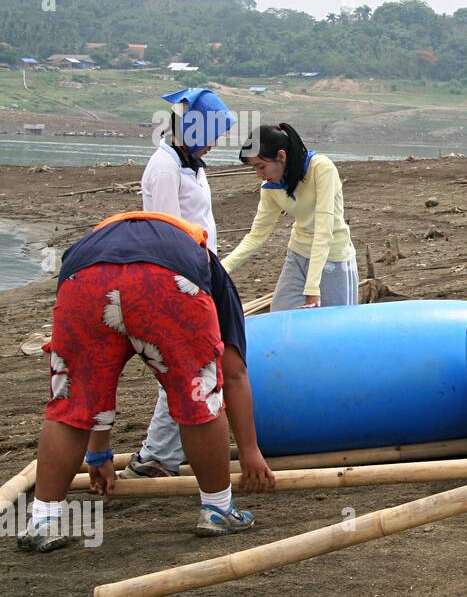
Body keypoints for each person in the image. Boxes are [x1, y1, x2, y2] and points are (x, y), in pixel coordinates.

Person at [19, 212, 275, 553]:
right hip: (167, 282)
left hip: (83, 280)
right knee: (197, 394)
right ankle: (217, 509)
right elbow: (232, 373)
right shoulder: (204, 259)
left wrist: (99, 456)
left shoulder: (91, 244)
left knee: (73, 397)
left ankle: (43, 520)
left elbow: (95, 385)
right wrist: (248, 450)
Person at [124, 88, 238, 480]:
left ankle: (161, 454)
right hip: (180, 279)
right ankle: (158, 456)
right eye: (212, 133)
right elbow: (168, 232)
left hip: (201, 274)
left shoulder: (190, 164)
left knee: (190, 367)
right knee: (185, 365)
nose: (215, 143)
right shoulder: (165, 167)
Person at [222, 124, 359, 310]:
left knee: (334, 326)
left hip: (332, 258)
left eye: (261, 167)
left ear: (281, 156)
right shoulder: (271, 187)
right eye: (255, 168)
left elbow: (324, 230)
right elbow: (256, 236)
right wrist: (222, 269)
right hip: (298, 254)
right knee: (281, 314)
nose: (259, 175)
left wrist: (312, 289)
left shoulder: (321, 168)